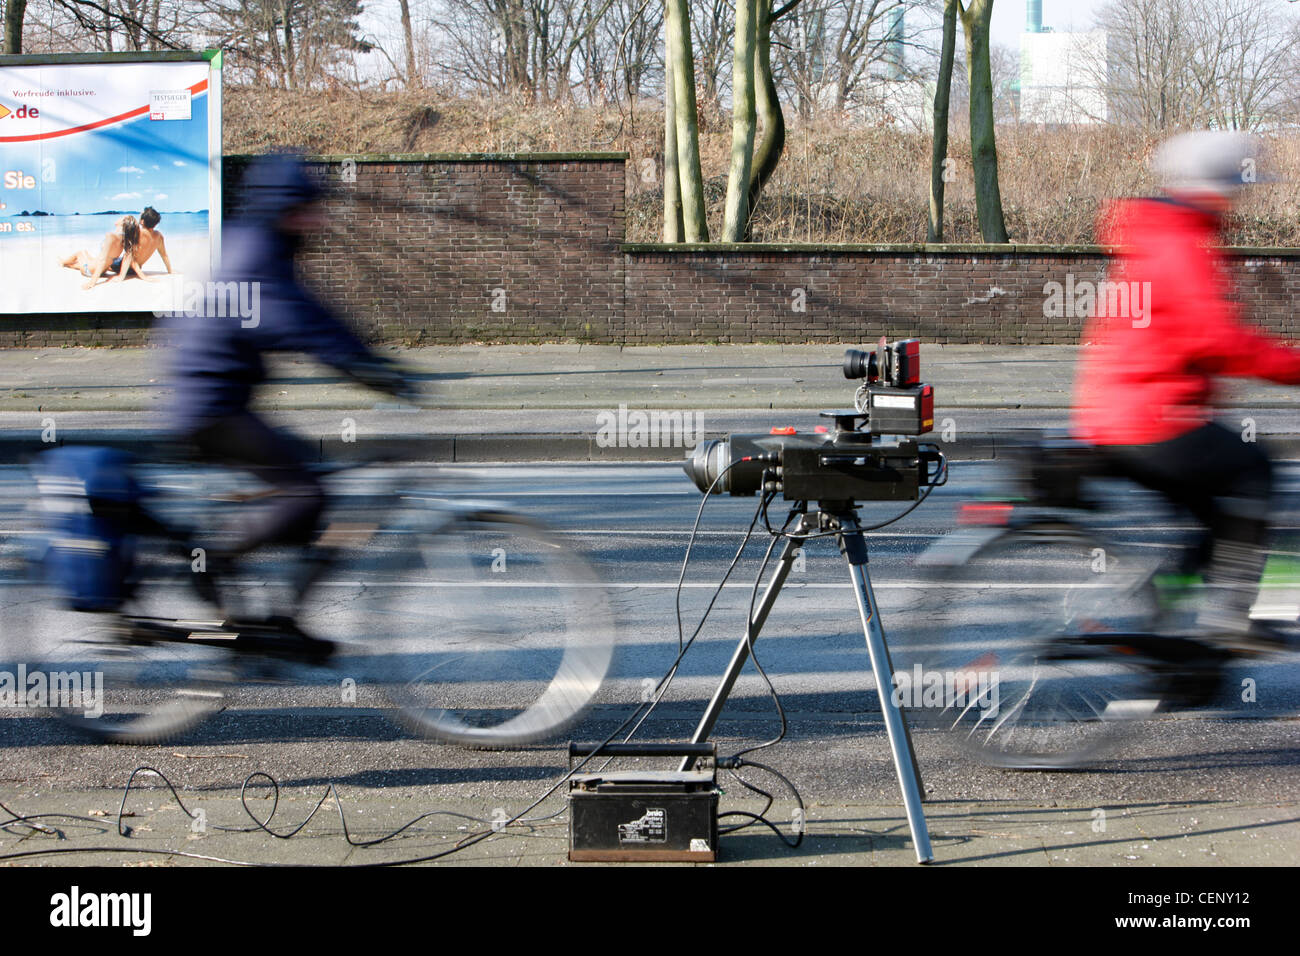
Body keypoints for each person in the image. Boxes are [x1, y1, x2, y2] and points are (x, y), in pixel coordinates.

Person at [163, 152, 414, 653]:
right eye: (306, 208)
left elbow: (314, 313)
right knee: (306, 495)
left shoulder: (257, 247)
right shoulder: (257, 255)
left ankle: (280, 617)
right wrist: (369, 370)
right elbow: (299, 324)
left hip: (214, 397)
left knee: (309, 486)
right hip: (209, 407)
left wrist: (369, 358)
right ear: (282, 208)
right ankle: (210, 556)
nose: (316, 220)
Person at [1071, 130, 1300, 653]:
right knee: (1254, 469)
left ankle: (1172, 639)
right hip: (1152, 419)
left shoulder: (1156, 234)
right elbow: (1220, 341)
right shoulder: (1182, 242)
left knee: (1220, 522)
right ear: (1216, 188)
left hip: (1117, 414)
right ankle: (1231, 617)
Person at [60, 214, 145, 289]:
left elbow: (102, 260)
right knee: (85, 257)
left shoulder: (111, 236)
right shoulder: (125, 240)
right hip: (102, 271)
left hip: (90, 270)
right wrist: (121, 277)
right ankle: (69, 265)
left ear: (123, 223)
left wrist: (92, 282)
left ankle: (62, 262)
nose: (118, 218)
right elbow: (128, 258)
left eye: (121, 217)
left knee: (81, 252)